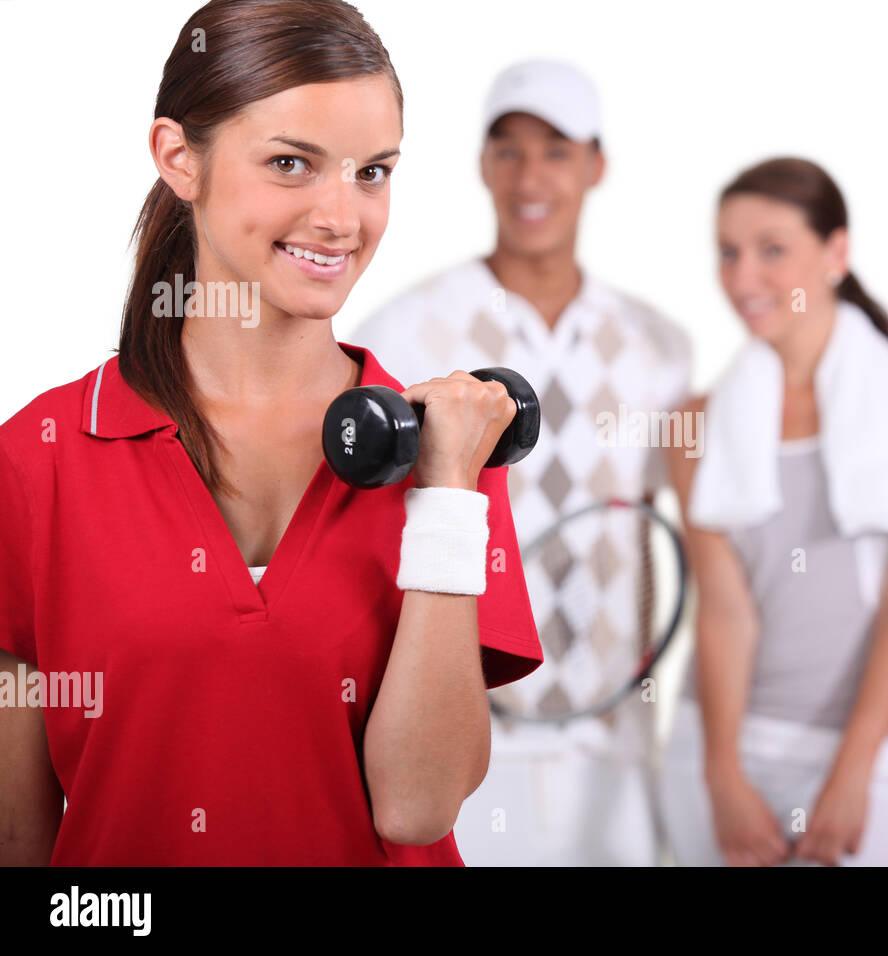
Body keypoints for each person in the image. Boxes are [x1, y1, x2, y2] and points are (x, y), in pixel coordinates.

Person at [0, 0, 541, 867]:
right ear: (179, 158)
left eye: (373, 171)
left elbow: (417, 804)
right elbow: (20, 833)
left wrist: (445, 499)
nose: (342, 216)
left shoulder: (449, 451)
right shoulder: (39, 459)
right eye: (292, 163)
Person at [351, 60, 692, 866]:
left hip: (610, 743)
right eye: (508, 150)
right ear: (481, 166)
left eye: (557, 150)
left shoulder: (661, 348)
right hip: (469, 741)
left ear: (596, 167)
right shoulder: (405, 330)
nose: (530, 175)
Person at [657, 158, 888, 866]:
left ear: (836, 252)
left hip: (863, 748)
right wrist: (721, 773)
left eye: (772, 250)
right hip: (722, 744)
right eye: (728, 253)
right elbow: (725, 612)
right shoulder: (698, 422)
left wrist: (856, 768)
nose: (742, 280)